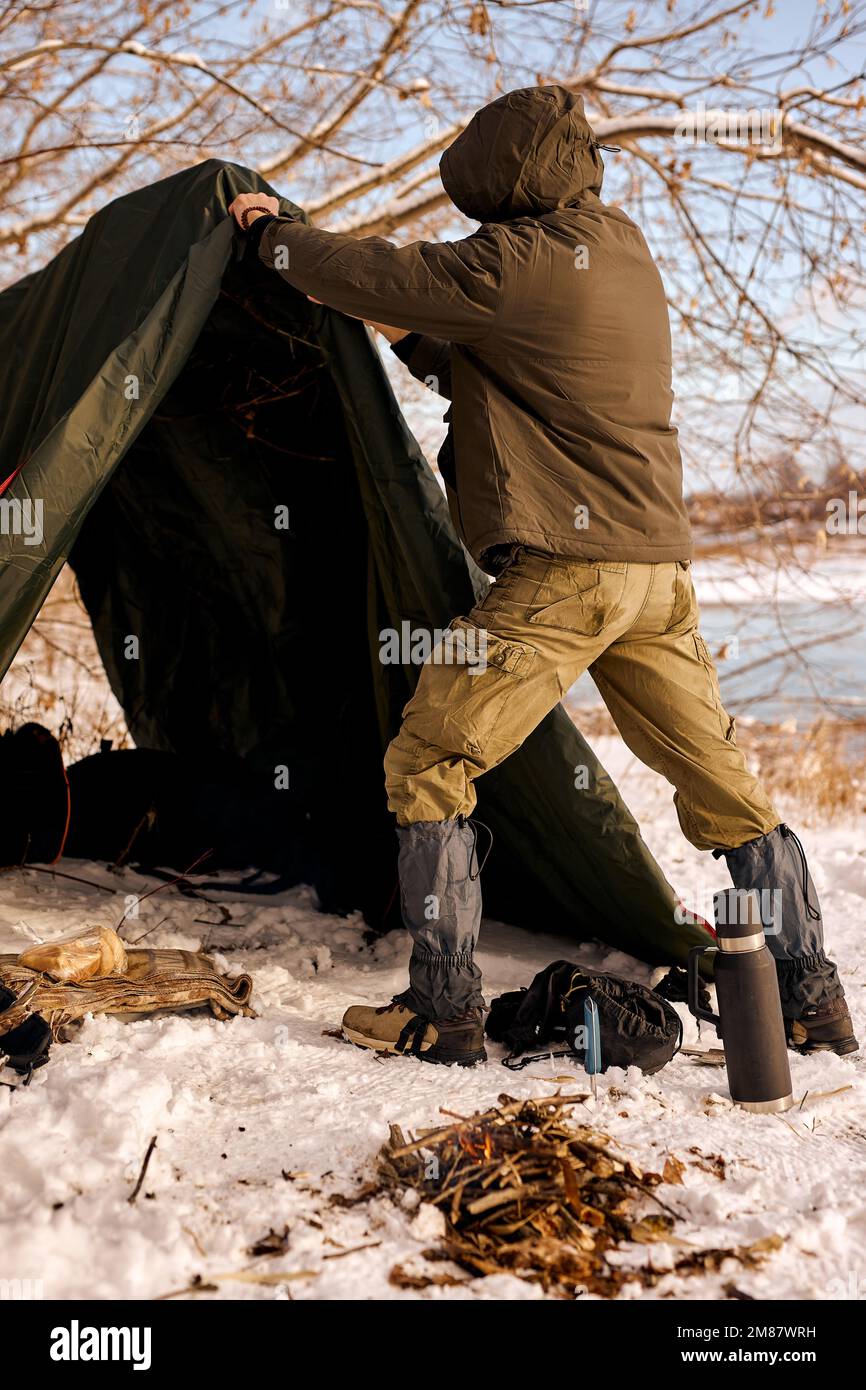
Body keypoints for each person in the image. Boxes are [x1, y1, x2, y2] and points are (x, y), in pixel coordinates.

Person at [229, 85, 857, 1066]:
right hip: (654, 575)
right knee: (725, 790)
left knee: (429, 759)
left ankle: (441, 1008)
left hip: (568, 573)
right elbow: (484, 360)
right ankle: (813, 1000)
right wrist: (403, 332)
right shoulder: (613, 251)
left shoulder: (518, 257)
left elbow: (397, 274)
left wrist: (279, 239)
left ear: (505, 175)